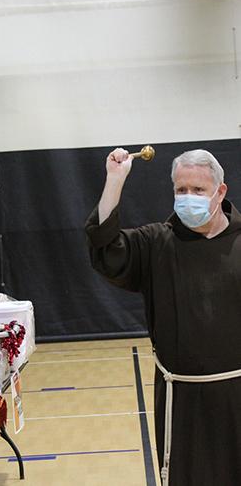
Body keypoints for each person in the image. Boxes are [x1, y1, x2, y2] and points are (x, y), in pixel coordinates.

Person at [85, 148, 241, 486]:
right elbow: (106, 249)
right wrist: (115, 181)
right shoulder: (156, 243)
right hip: (182, 399)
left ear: (220, 191)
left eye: (198, 191)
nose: (188, 198)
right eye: (180, 190)